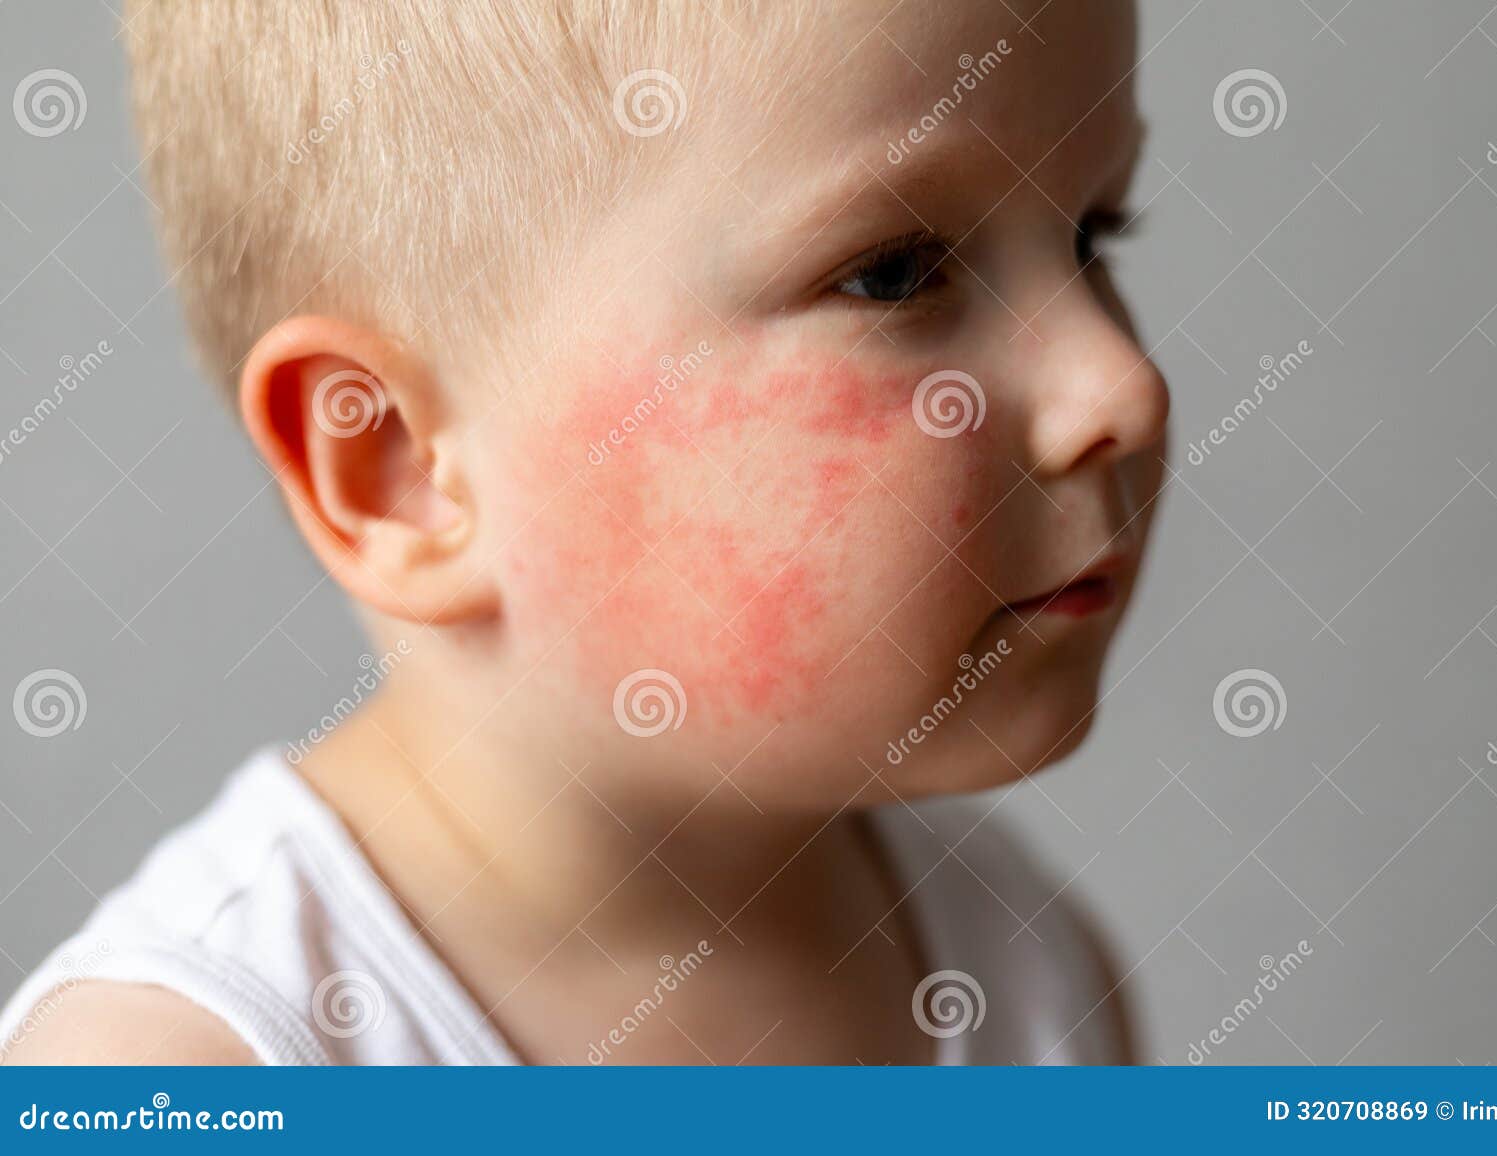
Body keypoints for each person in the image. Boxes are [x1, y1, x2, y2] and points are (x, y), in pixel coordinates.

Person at [2, 0, 1166, 1065]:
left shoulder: (1025, 968)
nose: (1121, 383)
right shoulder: (176, 1070)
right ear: (396, 467)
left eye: (1090, 235)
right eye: (893, 274)